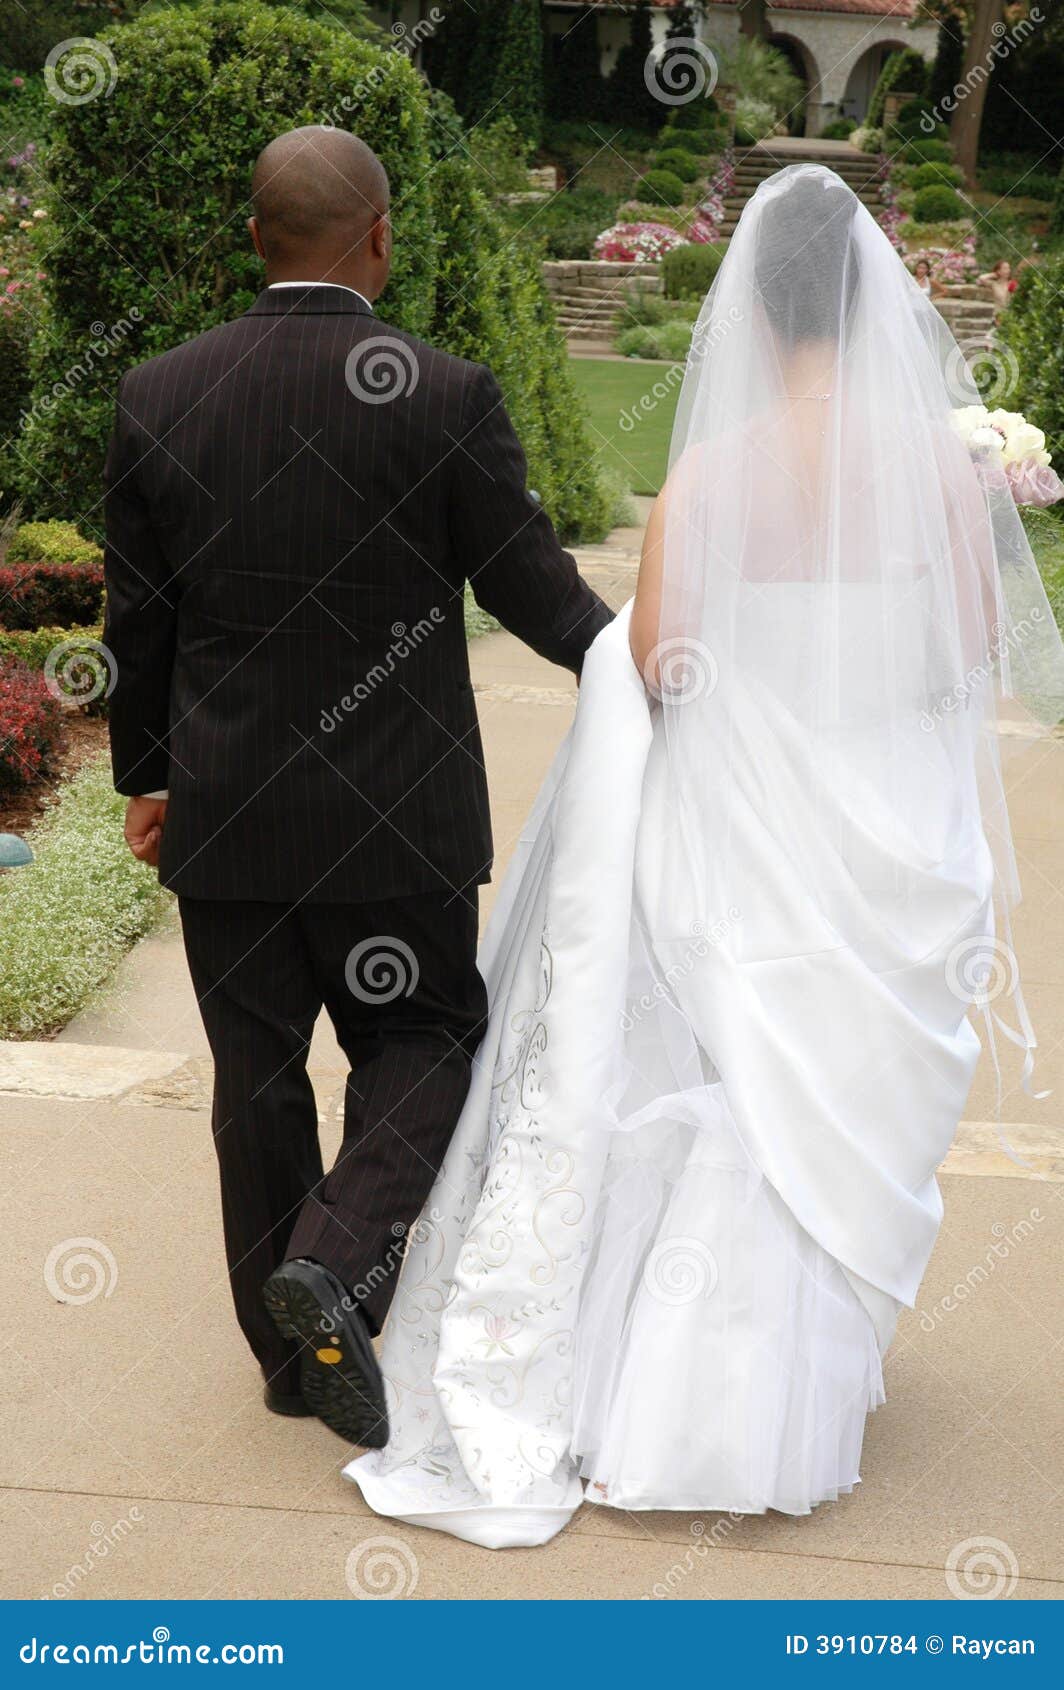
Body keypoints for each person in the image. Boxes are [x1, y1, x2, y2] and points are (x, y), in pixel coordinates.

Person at [345, 166, 1064, 1548]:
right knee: (828, 1085)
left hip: (738, 818)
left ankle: (670, 1396)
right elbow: (972, 655)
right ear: (868, 303)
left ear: (755, 308)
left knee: (727, 1086)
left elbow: (658, 653)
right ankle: (780, 1395)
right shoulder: (932, 467)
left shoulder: (716, 473)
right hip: (882, 827)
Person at [102, 127, 611, 1447]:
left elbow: (139, 625)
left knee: (257, 1074)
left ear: (254, 241)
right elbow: (534, 593)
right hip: (402, 819)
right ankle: (334, 1258)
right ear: (379, 235)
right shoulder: (441, 396)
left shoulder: (159, 395)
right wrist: (650, 667)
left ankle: (290, 1355)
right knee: (425, 1035)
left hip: (230, 814)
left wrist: (148, 779)